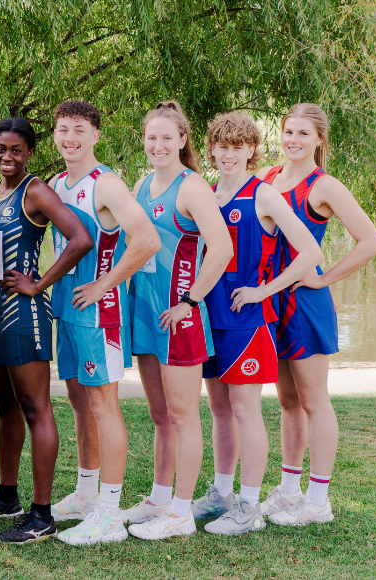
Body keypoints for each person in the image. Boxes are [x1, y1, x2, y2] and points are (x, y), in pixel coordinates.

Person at [193, 112, 323, 535]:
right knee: (219, 408)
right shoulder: (205, 194)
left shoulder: (263, 195)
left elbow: (309, 252)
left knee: (245, 409)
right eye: (222, 146)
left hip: (247, 319)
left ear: (252, 151)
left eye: (239, 147)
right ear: (211, 148)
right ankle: (223, 493)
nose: (229, 154)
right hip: (209, 316)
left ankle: (250, 507)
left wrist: (266, 290)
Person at [255, 103, 376, 525]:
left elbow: (370, 241)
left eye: (303, 134)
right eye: (288, 132)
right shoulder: (268, 178)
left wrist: (324, 278)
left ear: (319, 140)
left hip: (304, 303)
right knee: (288, 401)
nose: (293, 140)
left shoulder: (324, 186)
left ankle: (318, 501)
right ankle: (289, 490)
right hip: (269, 299)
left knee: (313, 400)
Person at [0, 117, 93, 544]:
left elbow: (81, 238)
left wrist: (39, 283)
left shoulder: (36, 191)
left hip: (23, 315)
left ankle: (42, 514)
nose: (8, 157)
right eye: (1, 149)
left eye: (17, 150)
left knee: (35, 408)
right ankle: (8, 497)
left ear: (29, 153)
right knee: (5, 407)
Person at [46, 100, 160, 546]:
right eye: (62, 130)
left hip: (100, 315)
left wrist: (104, 284)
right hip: (67, 309)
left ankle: (109, 516)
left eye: (78, 129)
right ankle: (87, 493)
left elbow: (146, 239)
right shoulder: (57, 183)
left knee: (104, 405)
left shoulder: (105, 184)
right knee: (79, 401)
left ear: (95, 134)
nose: (69, 138)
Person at [125, 101, 231, 541]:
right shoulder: (142, 183)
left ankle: (182, 512)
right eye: (152, 137)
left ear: (183, 140)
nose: (158, 145)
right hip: (145, 311)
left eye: (167, 137)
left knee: (184, 415)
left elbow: (221, 248)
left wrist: (191, 299)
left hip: (178, 315)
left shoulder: (192, 188)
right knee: (159, 414)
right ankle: (159, 498)